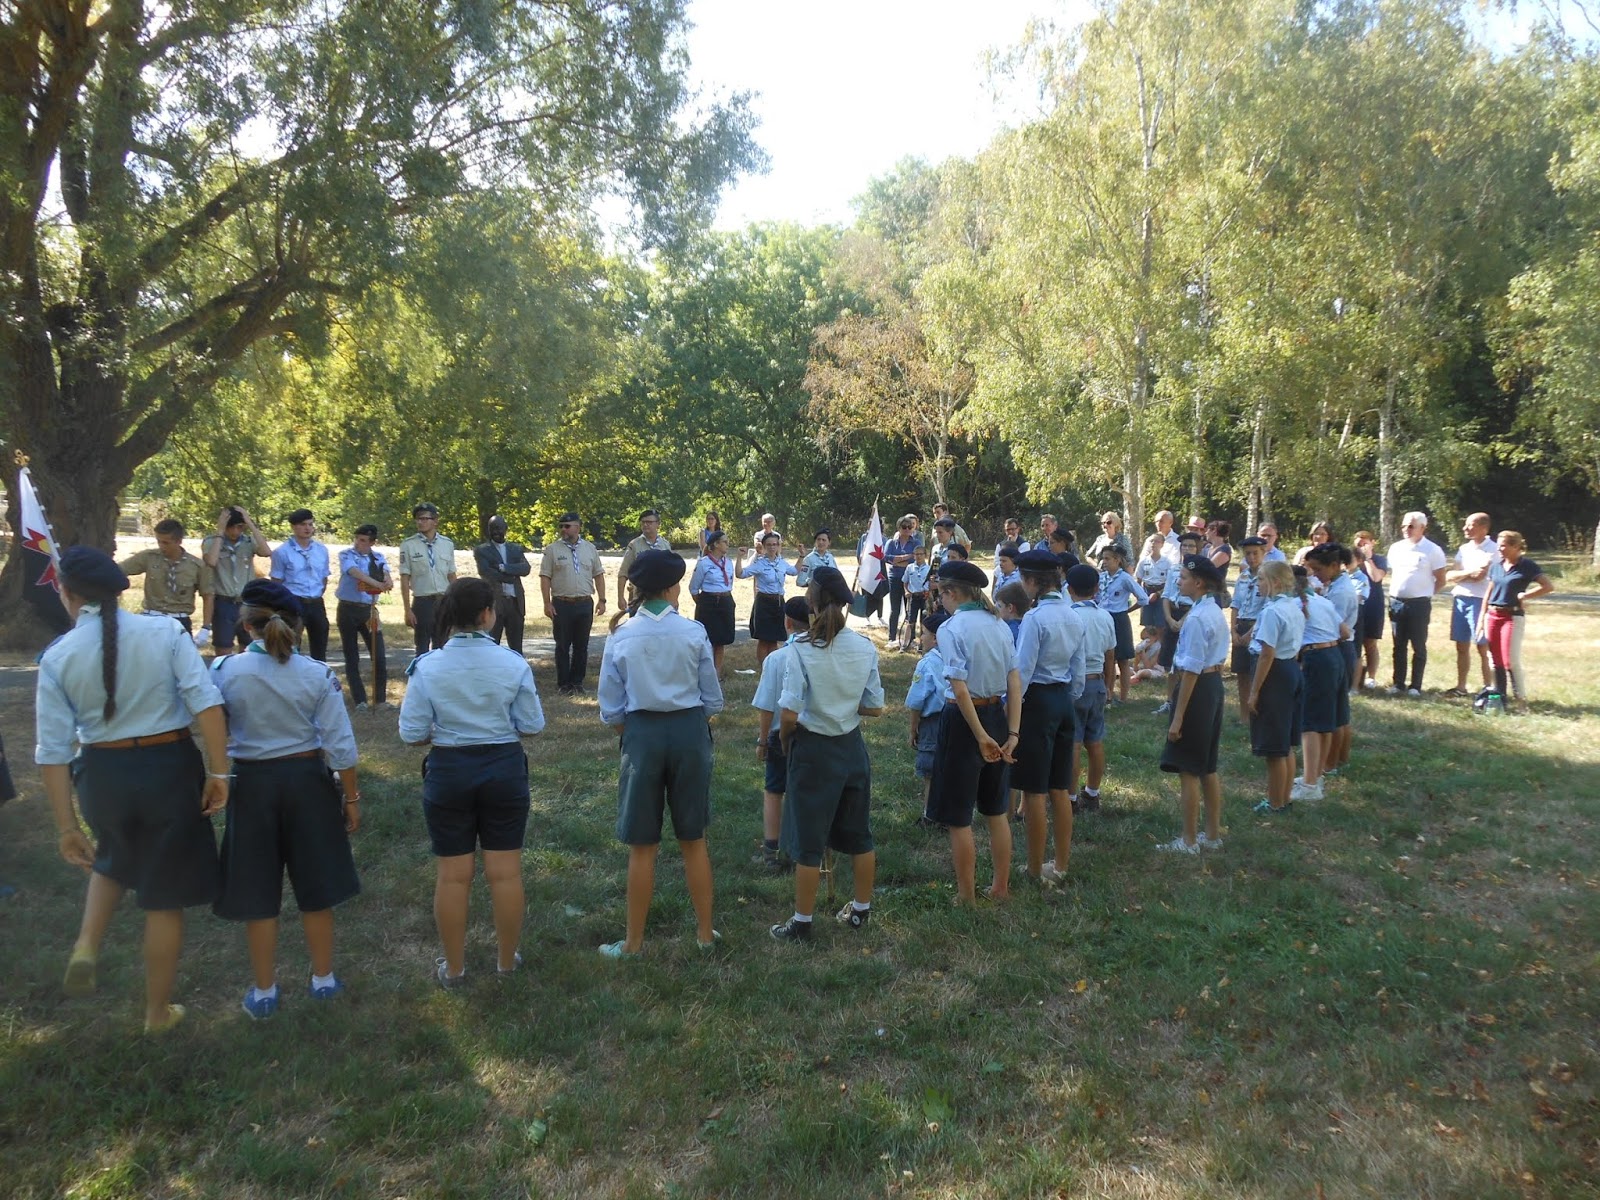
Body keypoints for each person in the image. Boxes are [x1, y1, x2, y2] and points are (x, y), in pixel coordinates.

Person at [37, 547, 229, 1033]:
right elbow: (206, 703)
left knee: (113, 854)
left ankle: (86, 944)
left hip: (102, 774)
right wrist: (219, 772)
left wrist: (65, 826)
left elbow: (53, 753)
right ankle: (156, 1012)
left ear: (68, 593)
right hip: (167, 766)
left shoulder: (57, 657)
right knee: (163, 898)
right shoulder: (164, 632)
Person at [211, 580, 361, 1018]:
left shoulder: (223, 671)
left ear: (245, 623)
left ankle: (264, 990)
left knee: (258, 889)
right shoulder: (316, 673)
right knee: (316, 886)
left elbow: (213, 730)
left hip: (251, 785)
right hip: (306, 783)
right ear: (297, 624)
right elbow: (341, 746)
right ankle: (324, 979)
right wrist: (351, 797)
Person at [399, 577, 545, 986]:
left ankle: (456, 967)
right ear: (486, 615)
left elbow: (412, 733)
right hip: (503, 767)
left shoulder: (428, 665)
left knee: (452, 875)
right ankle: (506, 962)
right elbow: (532, 724)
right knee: (505, 872)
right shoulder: (513, 663)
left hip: (449, 770)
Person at [596, 551, 723, 957]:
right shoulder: (694, 632)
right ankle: (705, 935)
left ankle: (633, 943)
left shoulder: (621, 637)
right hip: (688, 732)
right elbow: (712, 700)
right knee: (693, 838)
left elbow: (610, 707)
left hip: (642, 734)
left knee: (642, 844)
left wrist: (636, 732)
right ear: (672, 589)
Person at [770, 567, 886, 941]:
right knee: (859, 834)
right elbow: (876, 706)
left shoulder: (801, 649)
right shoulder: (865, 647)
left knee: (808, 840)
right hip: (851, 746)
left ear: (811, 604)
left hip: (814, 748)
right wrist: (845, 705)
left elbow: (788, 712)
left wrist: (787, 740)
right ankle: (861, 911)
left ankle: (802, 921)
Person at [925, 560, 1022, 905]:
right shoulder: (999, 624)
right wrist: (1013, 731)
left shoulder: (952, 629)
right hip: (998, 714)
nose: (939, 601)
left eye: (940, 594)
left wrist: (980, 735)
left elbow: (960, 689)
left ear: (951, 592)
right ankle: (1000, 887)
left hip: (965, 723)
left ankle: (966, 895)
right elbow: (1014, 678)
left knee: (959, 816)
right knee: (997, 811)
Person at [1011, 549, 1087, 885]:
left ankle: (1034, 867)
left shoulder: (1035, 618)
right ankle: (1061, 864)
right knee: (1060, 788)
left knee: (1034, 791)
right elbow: (1079, 670)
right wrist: (1068, 698)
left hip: (1038, 701)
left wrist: (1009, 707)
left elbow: (1022, 670)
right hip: (1063, 699)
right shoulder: (1074, 615)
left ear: (1031, 581)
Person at [1155, 554, 1230, 855]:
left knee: (1189, 769)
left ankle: (1188, 840)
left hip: (1197, 689)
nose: (1178, 581)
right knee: (1207, 767)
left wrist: (1177, 718)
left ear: (1198, 582)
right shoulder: (1210, 610)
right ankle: (1211, 835)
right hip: (1212, 686)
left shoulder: (1198, 618)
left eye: (1183, 578)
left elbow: (1191, 670)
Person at [750, 597, 813, 871]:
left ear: (787, 623)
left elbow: (766, 705)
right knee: (808, 790)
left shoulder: (776, 659)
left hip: (780, 733)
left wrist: (763, 741)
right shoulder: (821, 654)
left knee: (774, 790)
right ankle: (809, 848)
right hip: (814, 732)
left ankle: (772, 850)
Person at [1246, 561, 1305, 813]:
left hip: (1276, 674)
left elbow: (1266, 654)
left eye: (1260, 579)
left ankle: (1275, 802)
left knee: (1274, 748)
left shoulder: (1272, 612)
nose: (1256, 583)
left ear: (1276, 583)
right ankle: (1284, 797)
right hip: (1291, 669)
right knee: (1286, 744)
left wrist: (1255, 691)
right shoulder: (1294, 606)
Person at [1475, 531, 1554, 707]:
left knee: (1510, 659)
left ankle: (1520, 700)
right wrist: (1482, 617)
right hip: (1493, 615)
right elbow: (1488, 593)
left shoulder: (1527, 566)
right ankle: (1499, 697)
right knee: (1494, 659)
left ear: (1516, 547)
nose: (1500, 549)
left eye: (1503, 545)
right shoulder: (1496, 566)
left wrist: (1525, 595)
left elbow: (1548, 586)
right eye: (1499, 545)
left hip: (1512, 616)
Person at [538, 511, 607, 694]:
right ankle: (563, 684)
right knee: (562, 645)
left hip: (584, 603)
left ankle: (577, 682)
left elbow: (598, 574)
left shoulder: (590, 549)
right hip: (562, 604)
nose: (563, 529)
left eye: (567, 526)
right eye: (561, 526)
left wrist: (602, 599)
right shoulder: (552, 550)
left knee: (581, 645)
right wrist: (547, 603)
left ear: (578, 527)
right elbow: (545, 577)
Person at [1066, 565, 1117, 813]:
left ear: (1069, 589)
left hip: (1074, 682)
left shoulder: (1068, 616)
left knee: (1073, 743)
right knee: (1095, 740)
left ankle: (1071, 797)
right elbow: (1111, 655)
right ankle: (1093, 793)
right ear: (1097, 589)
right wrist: (1110, 686)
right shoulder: (1105, 616)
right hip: (1097, 682)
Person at [1305, 546, 1357, 785]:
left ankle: (1330, 762)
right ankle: (1336, 761)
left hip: (1337, 645)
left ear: (1335, 566)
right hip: (1337, 646)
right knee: (1337, 711)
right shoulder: (1334, 586)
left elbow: (1334, 627)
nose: (1316, 575)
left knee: (1335, 714)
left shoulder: (1341, 591)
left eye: (1319, 569)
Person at [119, 517, 215, 637]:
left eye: (166, 543)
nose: (161, 546)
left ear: (179, 541)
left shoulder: (196, 566)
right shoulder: (149, 557)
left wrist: (205, 628)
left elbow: (208, 596)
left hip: (179, 620)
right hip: (151, 618)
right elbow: (118, 570)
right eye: (159, 541)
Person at [1385, 511, 1448, 695]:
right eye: (1404, 525)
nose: (1406, 529)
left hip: (1419, 604)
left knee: (1418, 645)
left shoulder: (1432, 550)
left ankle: (1415, 685)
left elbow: (1441, 580)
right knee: (1399, 645)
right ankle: (1398, 683)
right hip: (1397, 602)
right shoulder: (1396, 548)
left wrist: (1426, 594)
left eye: (1411, 526)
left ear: (1422, 528)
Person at [335, 524, 393, 709]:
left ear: (372, 542)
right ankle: (360, 700)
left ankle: (380, 699)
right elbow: (353, 571)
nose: (358, 543)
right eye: (357, 539)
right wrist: (375, 582)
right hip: (348, 608)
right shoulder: (346, 554)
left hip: (369, 610)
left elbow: (386, 572)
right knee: (352, 656)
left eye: (363, 540)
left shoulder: (378, 558)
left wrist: (387, 580)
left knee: (379, 654)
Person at [202, 507, 273, 656]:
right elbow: (212, 561)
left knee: (248, 648)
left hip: (246, 602)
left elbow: (266, 552)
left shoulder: (248, 542)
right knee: (223, 648)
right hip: (224, 602)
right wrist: (220, 532)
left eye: (239, 527)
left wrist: (250, 523)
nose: (235, 532)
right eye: (231, 527)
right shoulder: (211, 542)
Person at [1444, 512, 1499, 697]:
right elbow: (1450, 575)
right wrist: (1467, 574)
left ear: (1484, 528)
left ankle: (1488, 687)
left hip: (1480, 600)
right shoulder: (1464, 548)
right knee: (1461, 645)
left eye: (1470, 525)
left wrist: (1463, 575)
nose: (1465, 528)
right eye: (1465, 525)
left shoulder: (1493, 549)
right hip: (1460, 599)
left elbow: (1479, 577)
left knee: (1483, 646)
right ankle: (1461, 687)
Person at [270, 509, 332, 662]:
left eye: (310, 524)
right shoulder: (282, 552)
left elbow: (324, 577)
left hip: (316, 601)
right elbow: (277, 581)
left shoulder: (321, 550)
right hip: (294, 601)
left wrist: (318, 593)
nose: (307, 528)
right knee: (291, 645)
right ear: (293, 527)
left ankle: (319, 678)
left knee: (320, 644)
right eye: (303, 525)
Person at [906, 609, 948, 826]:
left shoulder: (927, 663)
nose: (920, 638)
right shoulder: (957, 656)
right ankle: (950, 814)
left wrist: (913, 729)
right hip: (956, 717)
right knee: (950, 767)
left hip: (932, 722)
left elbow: (916, 701)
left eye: (924, 633)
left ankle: (930, 815)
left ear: (936, 637)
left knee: (931, 771)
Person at [399, 502, 457, 655]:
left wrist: (457, 602)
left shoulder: (447, 544)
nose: (420, 522)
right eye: (418, 519)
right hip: (422, 602)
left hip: (443, 600)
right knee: (422, 648)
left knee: (442, 646)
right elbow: (405, 578)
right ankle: (422, 676)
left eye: (425, 519)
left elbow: (451, 575)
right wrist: (407, 610)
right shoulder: (408, 545)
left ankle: (441, 678)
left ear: (435, 521)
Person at [1097, 544, 1148, 703]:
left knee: (1123, 659)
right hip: (1103, 617)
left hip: (1119, 618)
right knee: (1107, 659)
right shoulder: (1102, 577)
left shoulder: (1124, 578)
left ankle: (1124, 697)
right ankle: (1109, 694)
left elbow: (1143, 598)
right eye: (1103, 558)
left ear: (1117, 560)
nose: (1104, 562)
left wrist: (1127, 610)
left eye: (1107, 558)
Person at [474, 516, 532, 655]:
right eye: (492, 528)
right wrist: (512, 575)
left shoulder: (515, 549)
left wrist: (503, 567)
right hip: (495, 604)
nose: (495, 531)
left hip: (515, 603)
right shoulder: (482, 550)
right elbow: (486, 572)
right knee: (492, 646)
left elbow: (525, 569)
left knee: (516, 648)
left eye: (499, 528)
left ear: (505, 529)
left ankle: (517, 674)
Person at [736, 531, 796, 664]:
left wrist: (802, 556)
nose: (772, 547)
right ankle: (763, 667)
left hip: (779, 602)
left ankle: (772, 666)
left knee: (774, 639)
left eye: (775, 544)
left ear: (779, 546)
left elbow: (794, 571)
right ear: (763, 546)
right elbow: (740, 574)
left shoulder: (782, 563)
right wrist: (739, 557)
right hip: (764, 602)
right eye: (769, 545)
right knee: (764, 639)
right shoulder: (760, 563)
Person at [688, 528, 737, 676]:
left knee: (721, 639)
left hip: (725, 600)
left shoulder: (728, 562)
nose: (728, 545)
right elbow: (694, 588)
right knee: (708, 638)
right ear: (715, 544)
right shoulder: (703, 563)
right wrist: (703, 603)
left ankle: (717, 672)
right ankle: (705, 672)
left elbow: (730, 582)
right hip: (708, 601)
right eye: (725, 542)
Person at [1230, 537, 1269, 720]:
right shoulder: (1243, 576)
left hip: (1257, 626)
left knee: (1255, 673)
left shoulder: (1268, 577)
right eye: (1248, 554)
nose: (1251, 557)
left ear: (1264, 553)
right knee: (1241, 672)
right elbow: (1235, 604)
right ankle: (1244, 715)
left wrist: (1250, 633)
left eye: (1255, 553)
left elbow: (1267, 609)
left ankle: (1257, 713)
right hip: (1241, 624)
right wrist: (1233, 630)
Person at [1352, 531, 1389, 688]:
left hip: (1373, 604)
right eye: (1358, 544)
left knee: (1370, 642)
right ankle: (1355, 677)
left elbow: (1376, 577)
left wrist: (1368, 558)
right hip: (1354, 605)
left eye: (1364, 543)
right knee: (1355, 642)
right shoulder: (1351, 559)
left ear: (1372, 543)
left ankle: (1371, 677)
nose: (1361, 547)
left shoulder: (1379, 559)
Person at [617, 509, 672, 612]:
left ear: (658, 524)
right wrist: (620, 597)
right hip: (638, 598)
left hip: (661, 598)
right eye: (643, 522)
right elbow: (623, 573)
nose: (646, 525)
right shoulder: (634, 545)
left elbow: (671, 573)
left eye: (649, 522)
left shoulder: (665, 545)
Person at [884, 516, 922, 649]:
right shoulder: (891, 542)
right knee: (894, 609)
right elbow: (887, 558)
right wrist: (906, 557)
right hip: (894, 578)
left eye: (910, 527)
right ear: (899, 528)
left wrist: (898, 560)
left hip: (910, 579)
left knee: (909, 611)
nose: (907, 529)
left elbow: (916, 560)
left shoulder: (916, 543)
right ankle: (892, 637)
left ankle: (909, 639)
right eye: (904, 527)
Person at [1135, 532, 1173, 634]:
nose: (1153, 544)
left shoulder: (1167, 562)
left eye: (1157, 541)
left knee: (1160, 622)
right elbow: (1138, 580)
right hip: (1147, 591)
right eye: (1151, 541)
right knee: (1148, 623)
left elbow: (1170, 582)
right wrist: (1140, 595)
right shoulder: (1143, 561)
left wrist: (1158, 594)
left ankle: (1160, 645)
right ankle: (1148, 644)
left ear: (1162, 544)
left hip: (1161, 591)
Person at [898, 543, 933, 651]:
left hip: (924, 597)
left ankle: (922, 645)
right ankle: (905, 644)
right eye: (916, 554)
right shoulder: (910, 567)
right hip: (913, 597)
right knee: (910, 621)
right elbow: (905, 582)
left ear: (925, 555)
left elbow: (932, 585)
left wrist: (929, 595)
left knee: (924, 622)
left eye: (920, 554)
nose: (918, 556)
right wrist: (906, 591)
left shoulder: (929, 569)